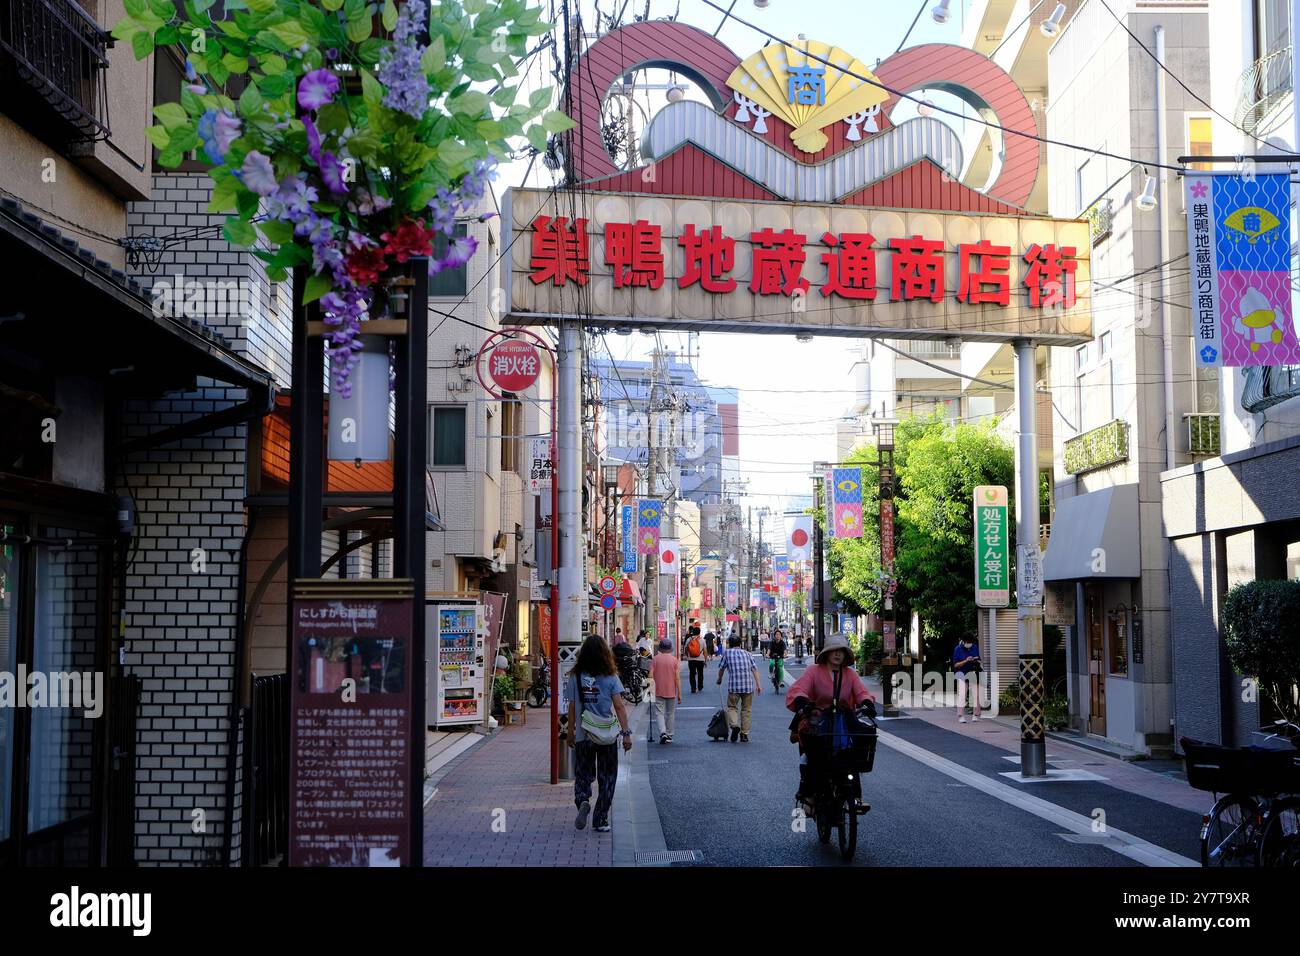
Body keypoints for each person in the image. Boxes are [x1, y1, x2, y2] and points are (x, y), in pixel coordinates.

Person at [785, 633, 875, 813]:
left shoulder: (850, 674)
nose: (837, 654)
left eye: (841, 651)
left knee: (855, 750)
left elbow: (861, 692)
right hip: (817, 719)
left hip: (842, 719)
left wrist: (866, 702)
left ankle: (855, 796)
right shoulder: (813, 671)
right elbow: (800, 689)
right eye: (833, 650)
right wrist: (803, 703)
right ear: (826, 653)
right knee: (811, 753)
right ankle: (809, 795)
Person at [567, 635, 633, 833]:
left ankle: (583, 800)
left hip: (583, 734)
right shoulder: (611, 676)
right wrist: (626, 733)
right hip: (606, 734)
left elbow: (571, 707)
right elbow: (619, 707)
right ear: (606, 653)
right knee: (608, 777)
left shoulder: (576, 675)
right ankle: (601, 819)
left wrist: (570, 732)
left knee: (583, 775)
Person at [716, 634, 762, 742]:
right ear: (740, 644)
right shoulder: (748, 654)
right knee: (746, 710)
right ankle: (744, 734)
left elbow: (722, 668)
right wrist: (758, 685)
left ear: (729, 644)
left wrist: (719, 679)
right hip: (748, 686)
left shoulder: (727, 653)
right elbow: (754, 670)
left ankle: (735, 725)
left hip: (734, 687)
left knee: (732, 707)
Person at [650, 638, 682, 743]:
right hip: (671, 690)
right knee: (670, 713)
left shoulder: (654, 659)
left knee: (659, 712)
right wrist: (680, 694)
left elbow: (650, 675)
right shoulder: (674, 660)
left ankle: (662, 732)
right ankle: (669, 733)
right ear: (670, 649)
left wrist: (648, 691)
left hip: (658, 689)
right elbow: (677, 677)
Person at [952, 633, 983, 723]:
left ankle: (975, 715)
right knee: (962, 694)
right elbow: (956, 665)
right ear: (964, 642)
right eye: (967, 642)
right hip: (961, 673)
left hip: (973, 672)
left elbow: (979, 659)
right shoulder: (958, 649)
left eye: (970, 642)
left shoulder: (974, 647)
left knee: (977, 694)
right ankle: (961, 716)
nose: (969, 644)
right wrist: (966, 660)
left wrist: (975, 660)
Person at [683, 626, 708, 693]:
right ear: (699, 633)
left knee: (692, 674)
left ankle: (693, 688)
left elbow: (685, 648)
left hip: (691, 659)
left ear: (693, 632)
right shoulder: (702, 640)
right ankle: (700, 686)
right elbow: (705, 651)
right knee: (700, 673)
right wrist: (705, 660)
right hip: (700, 660)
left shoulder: (689, 639)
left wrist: (687, 655)